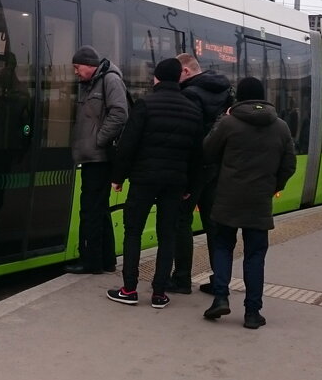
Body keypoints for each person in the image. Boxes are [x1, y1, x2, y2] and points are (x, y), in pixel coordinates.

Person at [106, 58, 202, 309]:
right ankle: (159, 293)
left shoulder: (145, 104)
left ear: (156, 78)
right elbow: (196, 155)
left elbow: (128, 144)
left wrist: (118, 177)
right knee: (167, 234)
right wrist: (189, 186)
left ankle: (129, 289)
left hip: (144, 179)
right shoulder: (192, 110)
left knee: (133, 231)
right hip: (175, 183)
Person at [201, 77, 296, 330]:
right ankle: (252, 313)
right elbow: (289, 165)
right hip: (259, 201)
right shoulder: (281, 127)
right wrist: (273, 186)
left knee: (222, 246)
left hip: (228, 198)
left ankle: (220, 297)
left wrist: (222, 120)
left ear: (239, 98)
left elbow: (208, 151)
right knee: (255, 256)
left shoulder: (228, 123)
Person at [171, 52, 233, 296]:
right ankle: (219, 281)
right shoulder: (226, 91)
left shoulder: (189, 94)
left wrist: (185, 177)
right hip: (218, 167)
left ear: (186, 71)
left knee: (181, 221)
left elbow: (190, 136)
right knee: (214, 225)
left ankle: (181, 278)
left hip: (196, 166)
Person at [68, 45, 130, 274]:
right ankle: (106, 259)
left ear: (90, 65)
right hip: (92, 156)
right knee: (100, 209)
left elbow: (119, 113)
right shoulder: (92, 83)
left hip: (100, 157)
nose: (75, 71)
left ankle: (90, 261)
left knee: (91, 210)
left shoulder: (110, 80)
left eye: (77, 67)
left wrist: (99, 140)